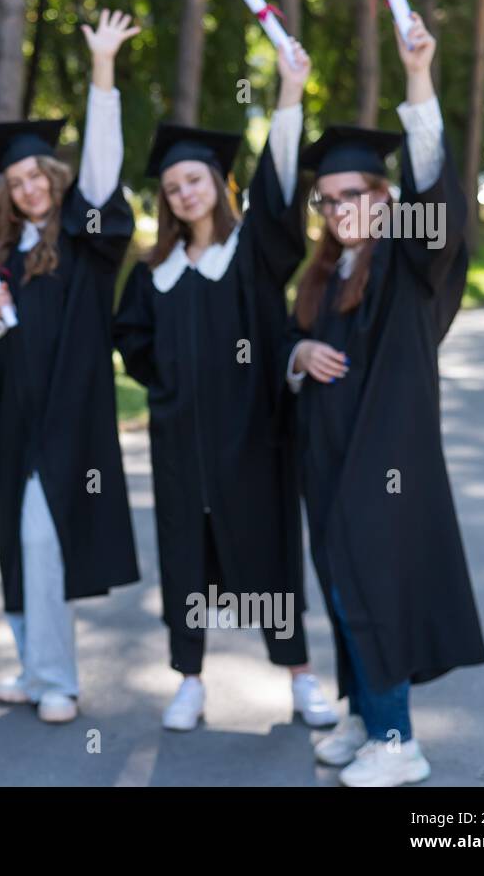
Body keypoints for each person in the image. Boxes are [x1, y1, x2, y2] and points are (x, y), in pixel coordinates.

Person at [285, 14, 484, 786]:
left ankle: (400, 742)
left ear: (384, 193)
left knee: (370, 582)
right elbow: (286, 341)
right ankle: (368, 717)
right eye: (328, 199)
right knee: (339, 583)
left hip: (387, 457)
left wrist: (417, 78)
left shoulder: (411, 261)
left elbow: (437, 192)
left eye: (355, 194)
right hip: (328, 456)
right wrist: (297, 352)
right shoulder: (328, 274)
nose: (341, 209)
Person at [114, 39, 338, 732]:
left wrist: (291, 94)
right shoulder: (156, 275)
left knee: (270, 555)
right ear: (166, 197)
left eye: (196, 179)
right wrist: (171, 393)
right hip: (181, 446)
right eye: (174, 186)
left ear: (218, 181)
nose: (185, 192)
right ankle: (188, 680)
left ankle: (299, 676)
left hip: (253, 439)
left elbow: (278, 196)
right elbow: (132, 343)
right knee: (184, 559)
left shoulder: (252, 255)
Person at [0, 10, 140, 723]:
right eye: (15, 183)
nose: (28, 189)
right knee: (16, 542)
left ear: (53, 173)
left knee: (46, 539)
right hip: (13, 413)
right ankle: (29, 662)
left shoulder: (86, 236)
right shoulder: (6, 257)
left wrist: (102, 71)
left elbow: (104, 171)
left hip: (70, 413)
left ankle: (60, 679)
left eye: (35, 175)